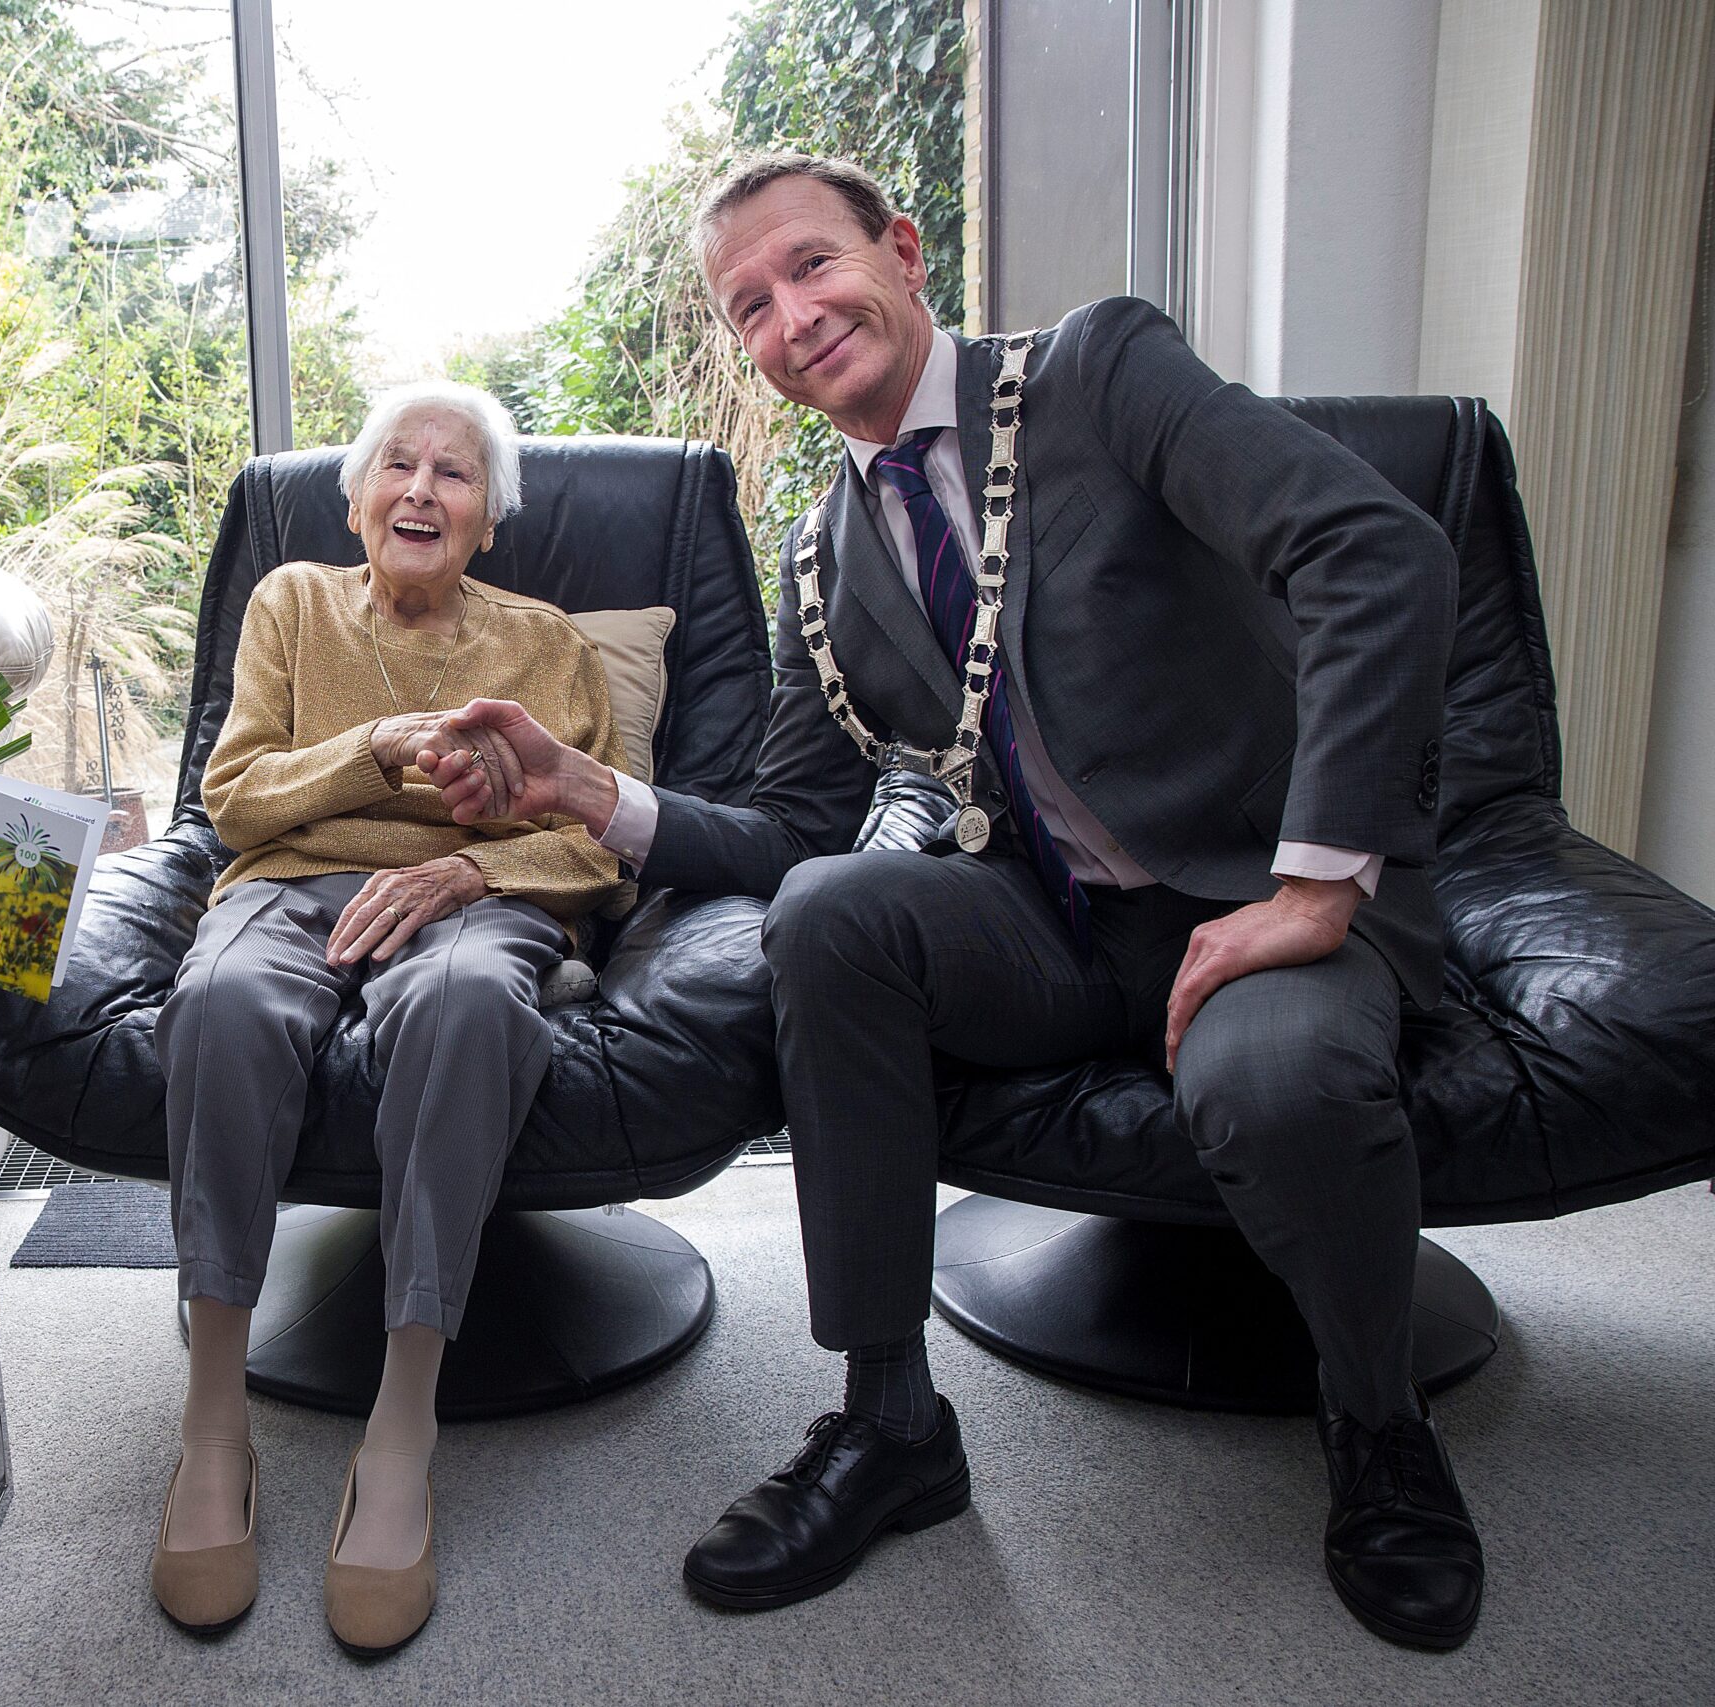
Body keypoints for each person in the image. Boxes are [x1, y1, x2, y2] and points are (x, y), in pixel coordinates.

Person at [428, 154, 1484, 1651]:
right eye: (751, 305)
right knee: (836, 911)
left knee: (1277, 1080)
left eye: (811, 266)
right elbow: (793, 828)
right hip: (1055, 922)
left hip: (1255, 898)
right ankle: (891, 1418)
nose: (791, 316)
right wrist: (586, 795)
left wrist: (1319, 883)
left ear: (904, 252)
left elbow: (1378, 552)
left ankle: (1378, 1425)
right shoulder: (830, 551)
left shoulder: (1100, 372)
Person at [150, 380, 625, 1654]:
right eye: (397, 467)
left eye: (454, 473)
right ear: (355, 500)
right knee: (222, 1002)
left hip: (477, 896)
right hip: (292, 877)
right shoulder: (290, 603)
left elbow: (596, 845)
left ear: (487, 521)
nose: (422, 489)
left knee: (471, 1002)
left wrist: (469, 864)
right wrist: (382, 747)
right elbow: (236, 799)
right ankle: (211, 1428)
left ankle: (400, 1426)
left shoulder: (549, 646)